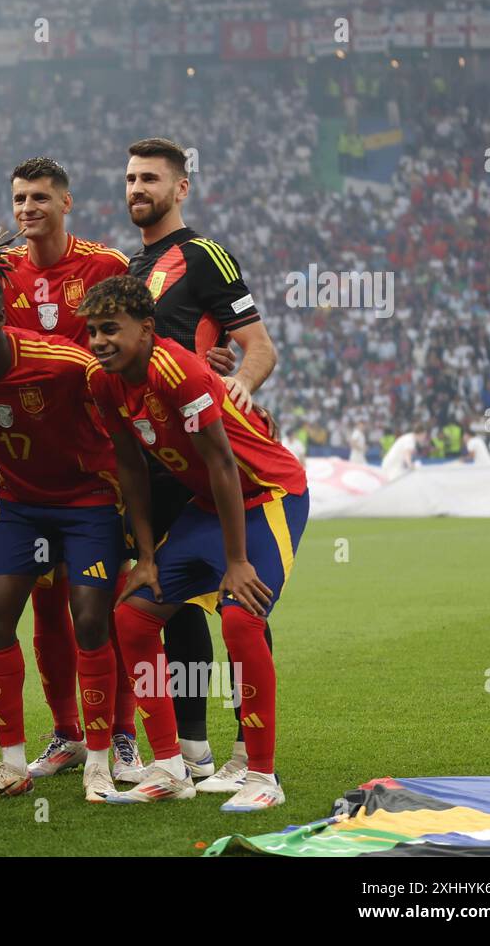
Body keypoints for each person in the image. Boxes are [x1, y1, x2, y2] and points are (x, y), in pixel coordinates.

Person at [80, 275, 308, 812]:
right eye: (92, 331)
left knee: (240, 617)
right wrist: (147, 557)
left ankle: (263, 777)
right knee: (132, 619)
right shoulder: (103, 380)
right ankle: (170, 767)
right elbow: (131, 466)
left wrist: (236, 562)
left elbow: (224, 463)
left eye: (111, 329)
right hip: (209, 506)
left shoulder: (174, 368)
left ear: (147, 329)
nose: (99, 341)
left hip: (269, 492)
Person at [0, 231, 125, 804]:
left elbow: (123, 402)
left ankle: (101, 762)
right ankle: (12, 765)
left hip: (87, 501)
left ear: (1, 317)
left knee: (90, 619)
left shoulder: (62, 363)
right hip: (21, 505)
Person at [123, 138, 280, 790]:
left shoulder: (201, 254)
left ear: (181, 188)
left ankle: (251, 750)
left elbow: (258, 347)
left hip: (205, 457)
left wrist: (239, 385)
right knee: (171, 606)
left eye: (150, 178)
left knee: (240, 603)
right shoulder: (131, 268)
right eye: (130, 177)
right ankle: (191, 750)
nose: (137, 187)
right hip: (150, 458)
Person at [2, 156, 141, 782]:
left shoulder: (105, 267)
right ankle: (66, 734)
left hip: (99, 468)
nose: (27, 209)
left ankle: (122, 734)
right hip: (30, 470)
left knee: (105, 608)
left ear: (67, 202)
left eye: (39, 198)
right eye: (18, 200)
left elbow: (139, 343)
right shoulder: (3, 273)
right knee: (46, 606)